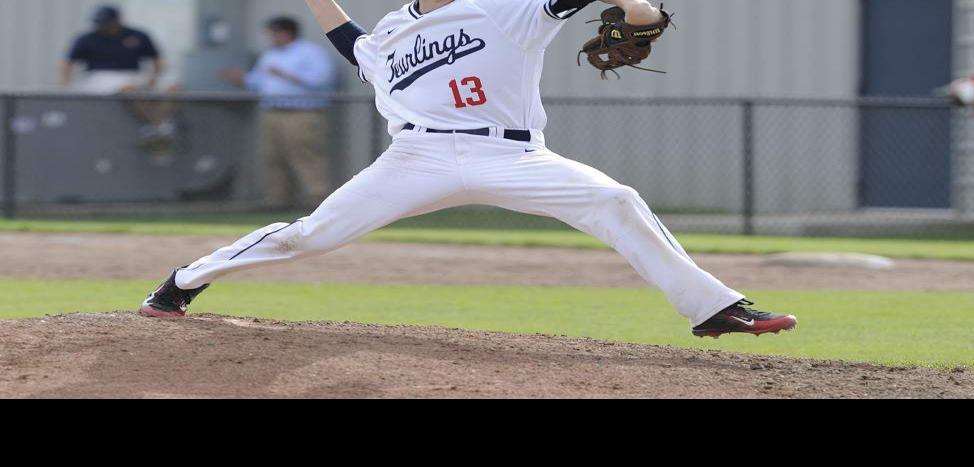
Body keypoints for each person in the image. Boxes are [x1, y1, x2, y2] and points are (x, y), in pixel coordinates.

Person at [140, 0, 798, 340]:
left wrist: (643, 12)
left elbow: (632, 12)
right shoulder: (390, 34)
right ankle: (182, 282)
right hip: (416, 157)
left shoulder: (508, 8)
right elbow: (343, 34)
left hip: (513, 155)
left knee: (615, 199)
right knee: (310, 235)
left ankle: (713, 309)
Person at [221, 17, 336, 209]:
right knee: (273, 158)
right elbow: (259, 82)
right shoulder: (270, 55)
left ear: (286, 33)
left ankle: (317, 201)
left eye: (273, 33)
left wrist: (287, 75)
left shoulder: (311, 52)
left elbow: (321, 81)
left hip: (302, 112)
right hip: (273, 112)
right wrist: (242, 79)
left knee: (306, 156)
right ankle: (276, 201)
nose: (270, 38)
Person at [61, 5, 177, 158]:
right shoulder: (87, 39)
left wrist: (152, 80)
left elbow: (157, 61)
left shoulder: (138, 35)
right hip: (101, 77)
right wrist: (65, 87)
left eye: (107, 22)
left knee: (174, 88)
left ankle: (154, 129)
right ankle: (159, 127)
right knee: (128, 89)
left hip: (134, 75)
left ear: (117, 20)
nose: (103, 26)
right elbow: (67, 64)